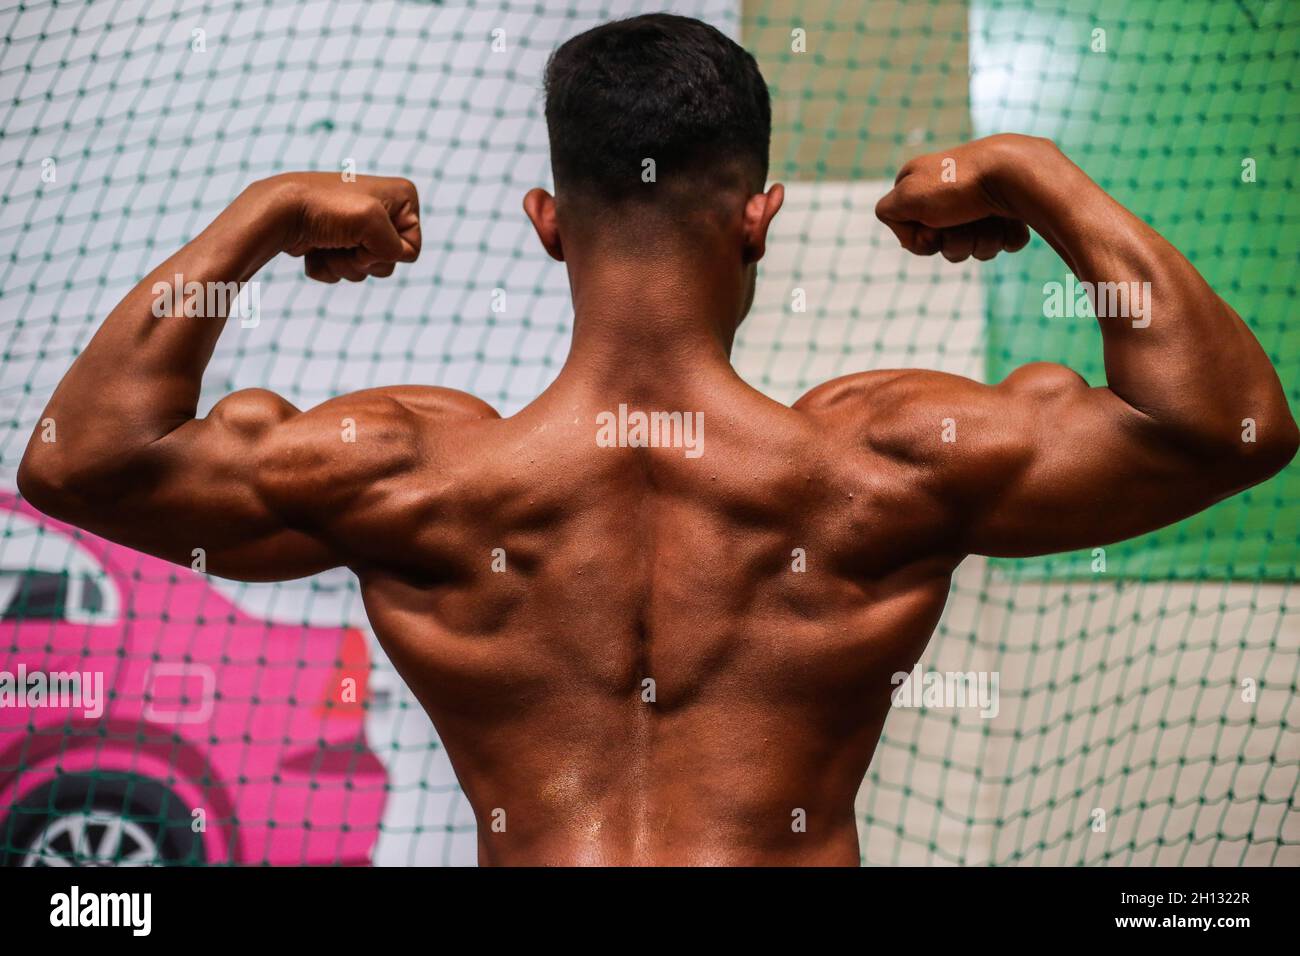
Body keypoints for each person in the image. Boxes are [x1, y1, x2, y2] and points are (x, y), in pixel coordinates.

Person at [18, 14, 1296, 865]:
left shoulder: (412, 475)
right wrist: (1037, 178)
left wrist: (265, 216)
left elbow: (82, 460)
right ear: (759, 218)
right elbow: (1224, 425)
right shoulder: (883, 462)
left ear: (546, 220)